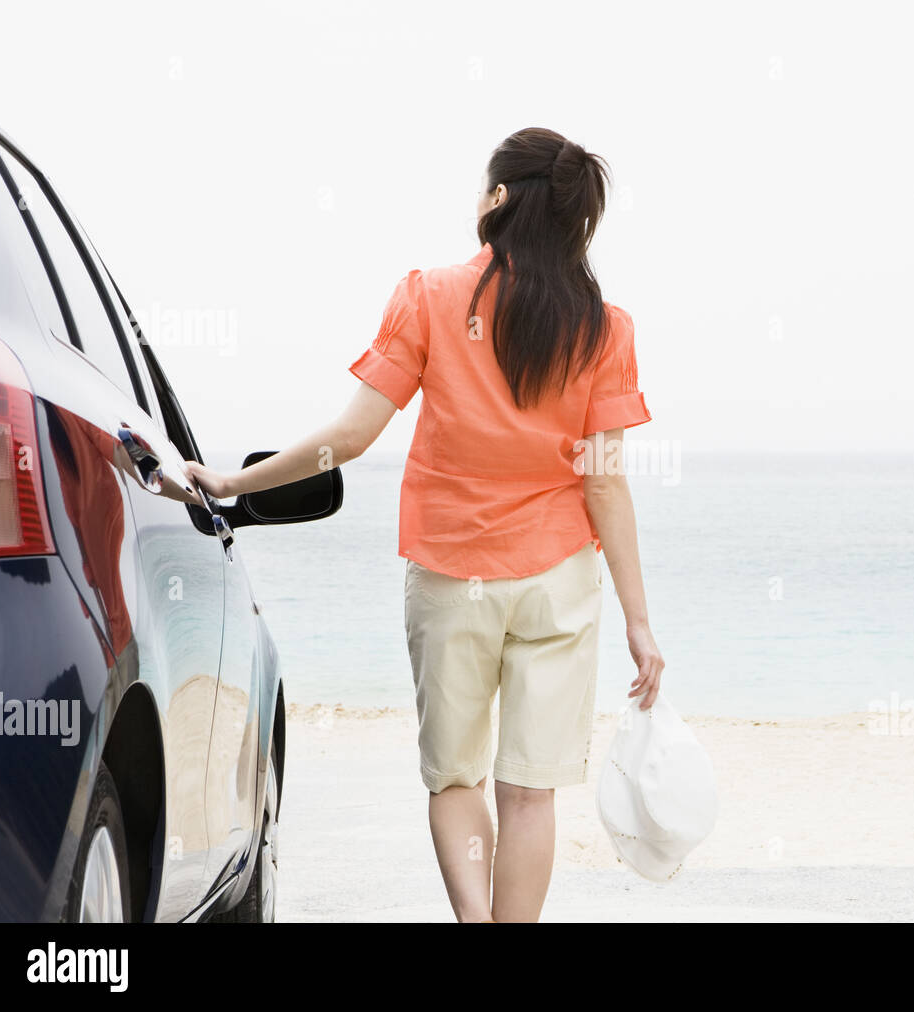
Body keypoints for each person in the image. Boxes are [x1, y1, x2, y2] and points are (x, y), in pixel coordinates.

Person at [185, 127, 663, 923]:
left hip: (452, 573)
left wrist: (235, 480)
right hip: (558, 582)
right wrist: (641, 623)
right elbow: (605, 486)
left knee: (455, 778)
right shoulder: (604, 328)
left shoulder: (431, 297)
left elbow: (351, 438)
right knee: (530, 791)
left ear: (500, 200)